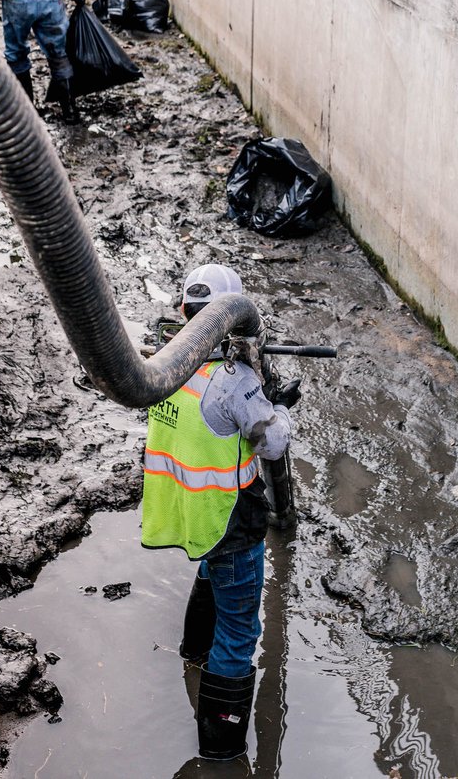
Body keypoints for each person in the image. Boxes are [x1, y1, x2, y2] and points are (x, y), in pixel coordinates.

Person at [141, 264, 301, 763]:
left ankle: (192, 651)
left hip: (185, 506)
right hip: (229, 516)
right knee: (239, 633)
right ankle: (222, 747)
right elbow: (272, 444)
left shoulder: (163, 366)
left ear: (184, 312)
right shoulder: (232, 380)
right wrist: (279, 406)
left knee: (213, 574)